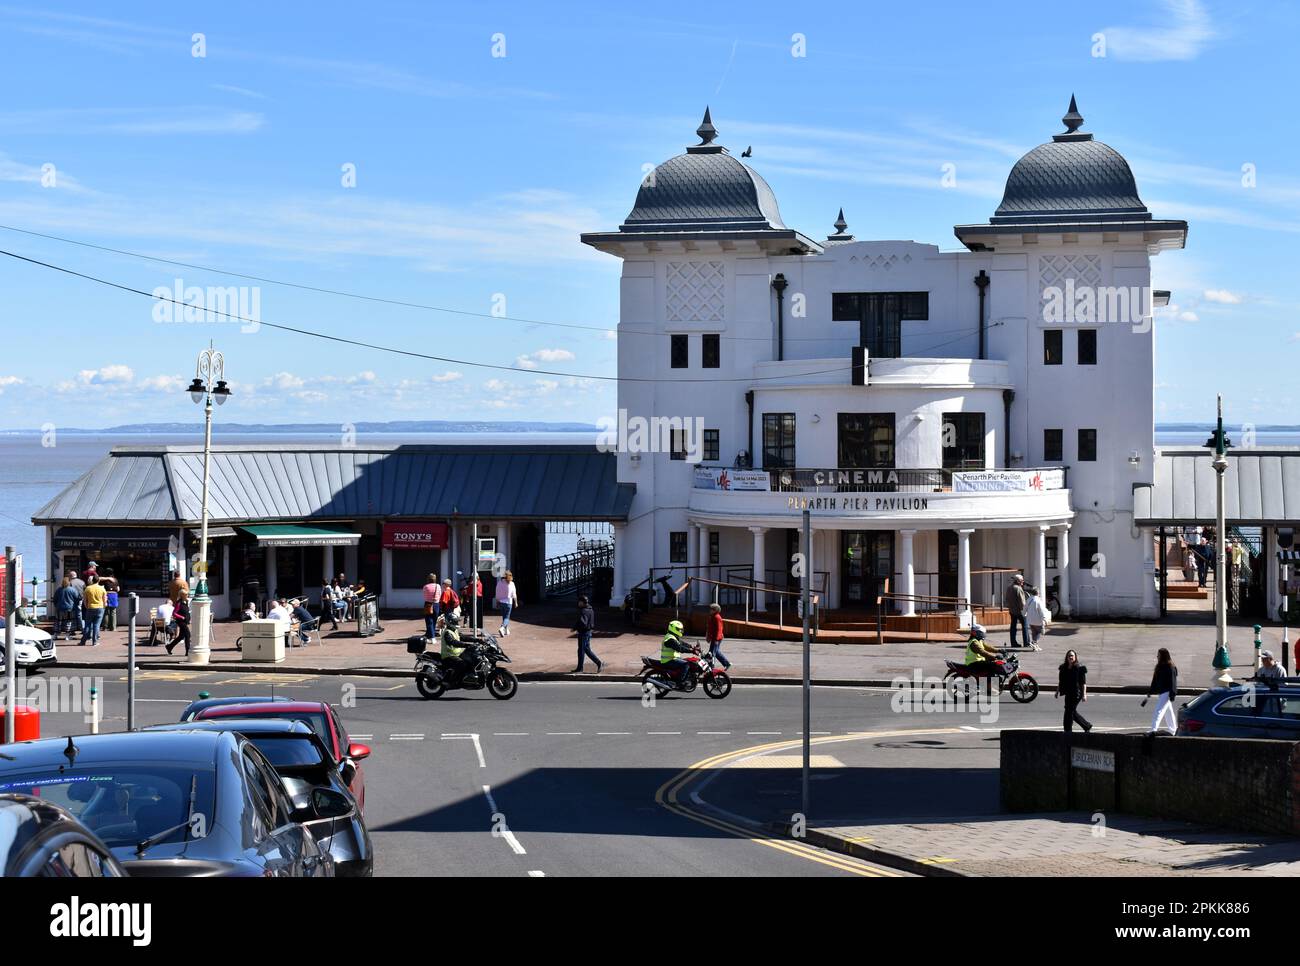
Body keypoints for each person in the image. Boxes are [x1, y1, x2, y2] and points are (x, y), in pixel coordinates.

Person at [1140, 647, 1179, 735]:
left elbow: (1173, 682)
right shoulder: (1159, 667)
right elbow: (1154, 681)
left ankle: (1154, 729)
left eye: (1159, 655)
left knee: (1159, 710)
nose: (1157, 656)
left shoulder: (1170, 667)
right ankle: (1173, 729)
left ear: (1163, 656)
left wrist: (1172, 694)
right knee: (1169, 712)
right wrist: (1150, 692)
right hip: (1162, 692)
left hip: (1167, 692)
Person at [1056, 649, 1092, 732]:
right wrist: (1057, 691)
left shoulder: (1079, 668)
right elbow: (1061, 681)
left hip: (1077, 693)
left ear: (1075, 657)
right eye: (1069, 656)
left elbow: (1083, 683)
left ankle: (1067, 730)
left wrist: (1084, 695)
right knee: (1071, 711)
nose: (1070, 657)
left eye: (1072, 655)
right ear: (1066, 657)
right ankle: (1086, 725)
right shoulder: (1063, 668)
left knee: (1068, 711)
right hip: (1068, 692)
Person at [572, 594, 602, 673]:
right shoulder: (591, 609)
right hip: (588, 632)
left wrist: (576, 628)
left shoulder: (583, 611)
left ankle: (580, 668)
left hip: (583, 633)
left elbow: (582, 622)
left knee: (581, 651)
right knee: (587, 650)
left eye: (579, 602)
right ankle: (598, 663)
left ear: (582, 602)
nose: (578, 603)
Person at [659, 618, 694, 682]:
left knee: (689, 661)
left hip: (673, 658)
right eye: (679, 630)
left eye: (681, 630)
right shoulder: (670, 639)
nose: (681, 631)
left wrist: (692, 647)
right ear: (674, 629)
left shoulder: (673, 636)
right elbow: (679, 648)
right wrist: (691, 651)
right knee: (686, 664)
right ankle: (679, 682)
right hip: (668, 661)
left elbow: (682, 643)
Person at [79, 574, 106, 646]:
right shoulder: (102, 588)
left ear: (92, 580)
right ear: (98, 580)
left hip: (90, 607)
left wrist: (87, 606)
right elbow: (104, 600)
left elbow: (85, 600)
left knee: (87, 625)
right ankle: (95, 642)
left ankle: (83, 641)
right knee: (96, 625)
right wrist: (104, 606)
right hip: (100, 608)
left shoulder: (88, 588)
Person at [1003, 574, 1030, 648]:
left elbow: (1007, 599)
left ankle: (1013, 642)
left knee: (1013, 626)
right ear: (1018, 581)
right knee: (1024, 626)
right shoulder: (1018, 588)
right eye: (1022, 580)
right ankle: (1026, 642)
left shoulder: (1009, 587)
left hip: (1012, 610)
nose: (1023, 582)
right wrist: (1025, 611)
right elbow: (1022, 602)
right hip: (1019, 611)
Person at [53, 576, 80, 641]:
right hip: (70, 609)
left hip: (59, 608)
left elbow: (55, 599)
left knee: (58, 622)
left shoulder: (58, 590)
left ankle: (55, 635)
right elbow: (77, 599)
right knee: (68, 622)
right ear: (69, 582)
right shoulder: (72, 590)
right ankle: (67, 636)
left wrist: (56, 605)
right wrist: (75, 605)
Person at [705, 602, 730, 670]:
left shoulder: (717, 617)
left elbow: (719, 629)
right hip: (714, 637)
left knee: (712, 653)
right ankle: (727, 664)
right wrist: (708, 636)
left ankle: (711, 667)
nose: (710, 610)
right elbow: (709, 628)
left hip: (716, 638)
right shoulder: (712, 616)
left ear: (715, 610)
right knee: (716, 652)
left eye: (711, 609)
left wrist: (716, 639)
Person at [1024, 585, 1050, 651]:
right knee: (1038, 632)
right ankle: (1035, 643)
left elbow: (1025, 608)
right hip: (1037, 620)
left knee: (1034, 632)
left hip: (1030, 620)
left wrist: (1024, 614)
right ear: (1038, 593)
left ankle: (1035, 645)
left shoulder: (1029, 599)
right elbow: (1042, 611)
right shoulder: (1038, 600)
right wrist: (1045, 619)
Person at [167, 589, 192, 656]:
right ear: (182, 595)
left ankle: (169, 647)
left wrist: (188, 618)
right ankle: (188, 651)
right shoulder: (179, 603)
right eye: (186, 594)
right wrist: (182, 617)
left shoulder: (185, 602)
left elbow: (186, 612)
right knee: (188, 635)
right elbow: (174, 613)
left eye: (187, 594)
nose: (187, 595)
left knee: (181, 636)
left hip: (185, 622)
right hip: (181, 622)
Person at [495, 570, 518, 636]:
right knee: (507, 618)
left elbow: (497, 592)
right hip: (508, 602)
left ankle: (506, 630)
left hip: (501, 602)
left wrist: (497, 602)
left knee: (504, 617)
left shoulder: (499, 583)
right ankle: (502, 628)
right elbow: (514, 594)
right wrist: (516, 602)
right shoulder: (511, 583)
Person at [422, 573, 441, 639]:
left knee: (429, 621)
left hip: (428, 604)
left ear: (428, 579)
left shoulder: (425, 586)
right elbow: (440, 595)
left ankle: (432, 637)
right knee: (434, 621)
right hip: (436, 604)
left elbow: (424, 596)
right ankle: (429, 635)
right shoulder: (438, 586)